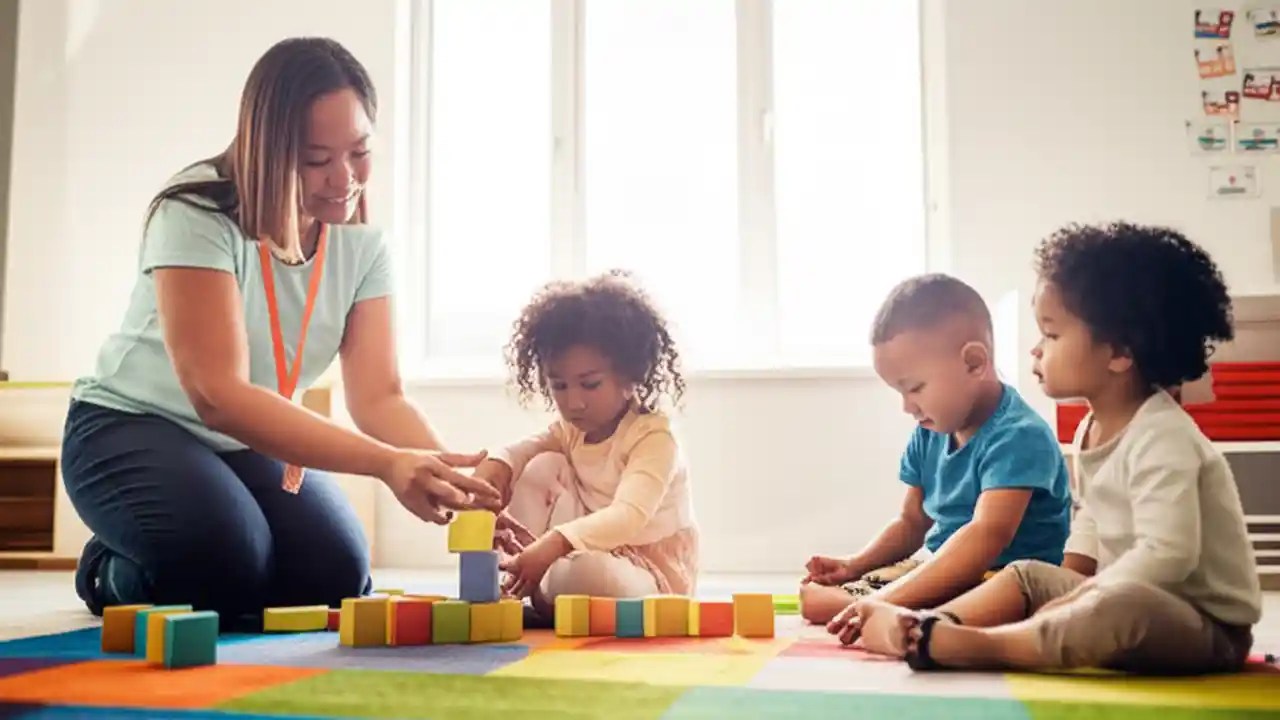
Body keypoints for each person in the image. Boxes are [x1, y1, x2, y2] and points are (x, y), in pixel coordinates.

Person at [60, 37, 500, 625]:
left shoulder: (362, 244)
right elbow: (218, 395)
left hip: (245, 444)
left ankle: (184, 541)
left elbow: (379, 397)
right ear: (267, 148)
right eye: (316, 159)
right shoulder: (195, 211)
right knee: (227, 564)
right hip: (130, 427)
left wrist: (455, 479)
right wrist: (386, 463)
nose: (343, 178)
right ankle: (108, 568)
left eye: (359, 151)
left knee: (337, 575)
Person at [845, 222, 1262, 675]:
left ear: (1118, 352)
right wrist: (1069, 581)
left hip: (1203, 624)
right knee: (1026, 573)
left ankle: (978, 646)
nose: (1035, 352)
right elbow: (1093, 516)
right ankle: (930, 626)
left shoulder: (1163, 437)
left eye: (1052, 335)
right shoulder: (1092, 428)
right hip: (1122, 591)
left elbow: (1168, 554)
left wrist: (1083, 596)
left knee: (1115, 607)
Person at [800, 274, 1072, 627]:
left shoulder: (1019, 436)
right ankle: (900, 612)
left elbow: (986, 534)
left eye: (915, 388)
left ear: (974, 362)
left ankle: (901, 615)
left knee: (851, 605)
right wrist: (855, 565)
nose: (907, 407)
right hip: (941, 567)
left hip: (1004, 579)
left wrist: (882, 600)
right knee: (814, 598)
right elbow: (912, 522)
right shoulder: (929, 432)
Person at [469, 271, 698, 620]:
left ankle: (541, 584)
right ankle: (526, 576)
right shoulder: (570, 430)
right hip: (579, 552)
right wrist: (497, 464)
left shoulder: (653, 439)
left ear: (631, 376)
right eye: (559, 386)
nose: (573, 402)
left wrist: (555, 544)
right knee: (538, 465)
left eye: (589, 385)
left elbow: (628, 517)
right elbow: (523, 450)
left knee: (590, 574)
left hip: (646, 570)